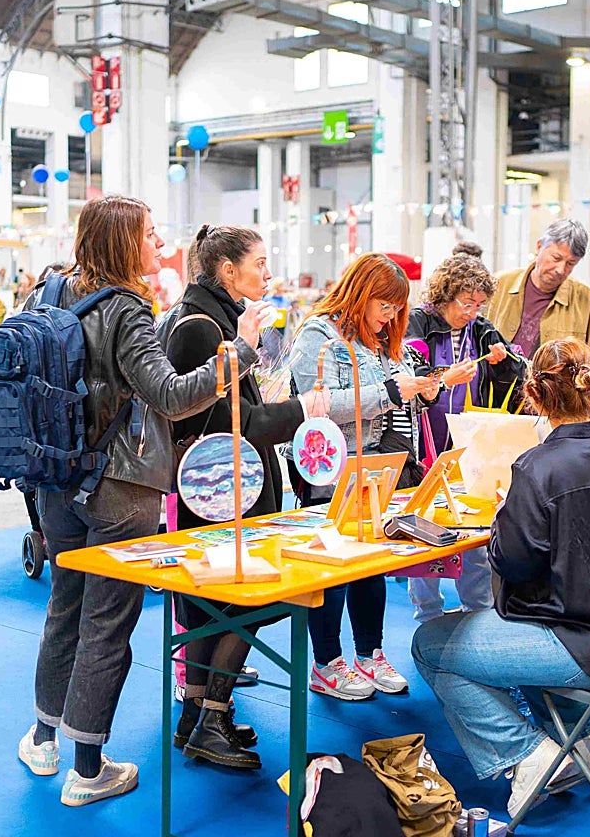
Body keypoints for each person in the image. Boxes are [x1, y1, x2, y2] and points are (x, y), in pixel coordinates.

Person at [15, 195, 274, 807]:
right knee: (108, 623)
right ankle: (88, 768)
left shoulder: (52, 291)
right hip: (121, 488)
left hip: (56, 476)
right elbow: (171, 395)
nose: (160, 243)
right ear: (122, 241)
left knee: (65, 610)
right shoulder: (127, 308)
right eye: (150, 233)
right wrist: (240, 351)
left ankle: (44, 738)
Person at [411, 337, 590, 818]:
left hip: (588, 645)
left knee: (429, 645)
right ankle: (588, 736)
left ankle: (526, 756)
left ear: (534, 397)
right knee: (515, 631)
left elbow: (511, 564)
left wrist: (503, 517)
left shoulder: (538, 468)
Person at [162, 224, 331, 771]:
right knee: (242, 603)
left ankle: (199, 715)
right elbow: (236, 425)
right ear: (227, 270)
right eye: (259, 262)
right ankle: (209, 717)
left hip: (228, 492)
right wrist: (303, 409)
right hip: (220, 495)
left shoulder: (216, 322)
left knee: (222, 606)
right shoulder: (202, 328)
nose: (268, 271)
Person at [289, 253, 439, 701]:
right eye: (384, 305)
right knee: (334, 569)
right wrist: (391, 392)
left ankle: (369, 653)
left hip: (374, 469)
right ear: (360, 293)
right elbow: (316, 403)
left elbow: (394, 396)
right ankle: (327, 662)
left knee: (369, 567)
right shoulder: (319, 334)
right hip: (329, 467)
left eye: (397, 309)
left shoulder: (378, 340)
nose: (390, 316)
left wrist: (422, 393)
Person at [405, 252, 524, 623]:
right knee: (423, 529)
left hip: (469, 443)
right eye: (466, 303)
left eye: (479, 304)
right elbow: (409, 374)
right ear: (444, 295)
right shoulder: (417, 322)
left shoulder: (482, 328)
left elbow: (514, 380)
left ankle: (478, 610)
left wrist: (504, 362)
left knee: (474, 528)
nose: (472, 312)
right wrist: (442, 379)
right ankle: (428, 613)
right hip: (425, 439)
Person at [484, 218, 590, 358]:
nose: (561, 269)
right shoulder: (499, 284)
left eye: (571, 263)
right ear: (539, 247)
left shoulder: (589, 301)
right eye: (556, 258)